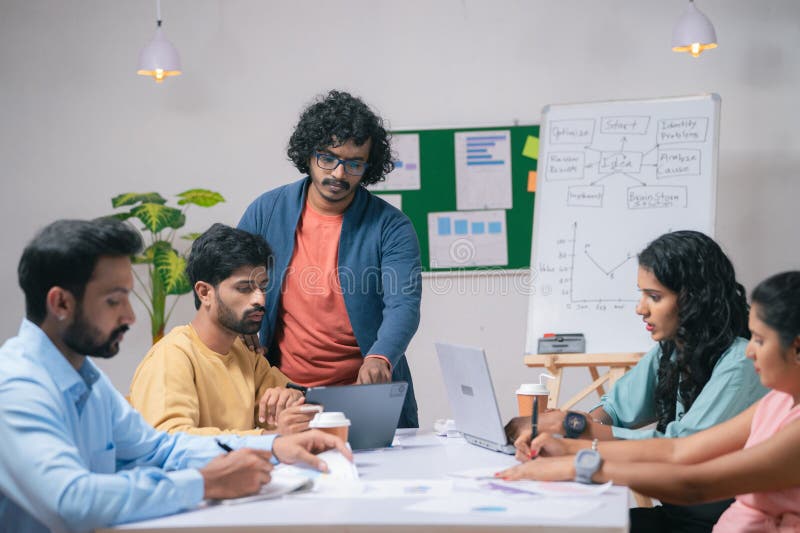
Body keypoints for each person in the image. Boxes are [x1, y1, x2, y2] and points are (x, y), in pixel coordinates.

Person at [0, 218, 351, 533]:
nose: (130, 316)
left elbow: (160, 447)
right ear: (60, 304)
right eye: (113, 300)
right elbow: (72, 501)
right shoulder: (16, 385)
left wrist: (275, 446)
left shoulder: (86, 378)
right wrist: (203, 483)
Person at [498, 270, 800, 533]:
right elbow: (676, 449)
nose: (751, 351)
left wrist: (579, 465)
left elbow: (695, 483)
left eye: (760, 340)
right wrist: (568, 446)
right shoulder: (776, 402)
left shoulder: (743, 369)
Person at [238, 90, 422, 428]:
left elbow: (403, 305)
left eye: (354, 164)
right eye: (328, 158)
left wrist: (380, 357)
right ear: (309, 154)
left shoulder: (391, 226)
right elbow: (229, 277)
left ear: (368, 167)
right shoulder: (266, 211)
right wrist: (243, 320)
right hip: (284, 393)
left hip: (365, 396)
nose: (339, 174)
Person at [129, 223, 316, 436]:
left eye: (263, 287)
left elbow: (291, 405)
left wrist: (292, 399)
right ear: (204, 292)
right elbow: (171, 440)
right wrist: (266, 439)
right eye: (244, 288)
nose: (260, 299)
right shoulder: (171, 357)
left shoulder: (245, 353)